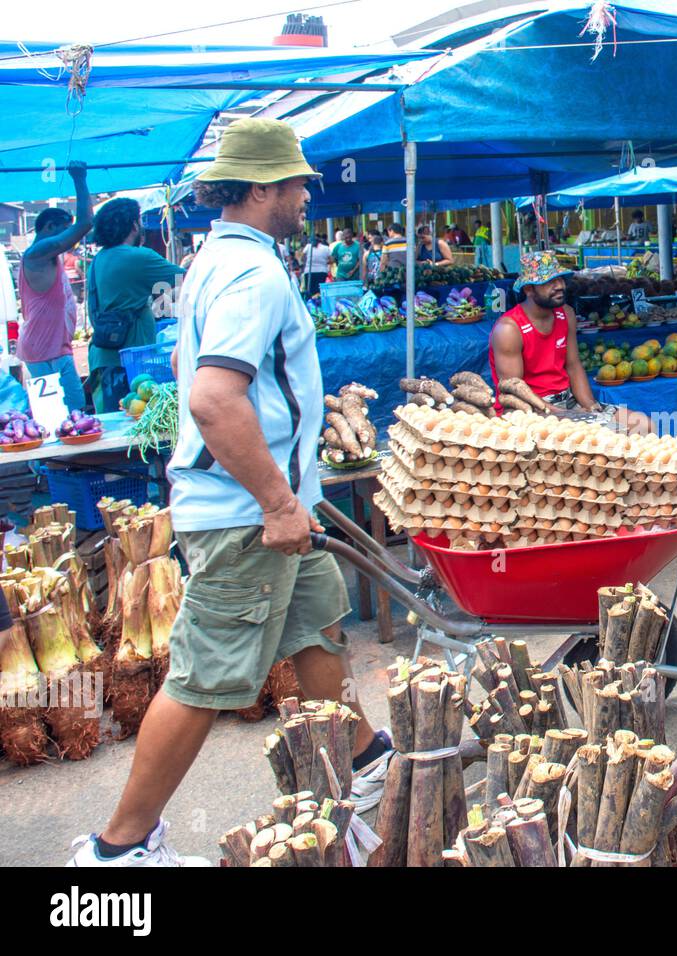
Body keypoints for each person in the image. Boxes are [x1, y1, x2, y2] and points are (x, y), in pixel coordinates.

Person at [68, 118, 392, 868]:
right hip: (250, 516)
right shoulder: (253, 273)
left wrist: (293, 496)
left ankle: (366, 754)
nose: (308, 194)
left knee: (315, 628)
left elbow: (191, 360)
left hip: (272, 505)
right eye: (296, 184)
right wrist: (278, 503)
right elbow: (214, 397)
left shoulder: (217, 259)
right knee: (205, 677)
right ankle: (119, 848)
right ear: (257, 188)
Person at [490, 250, 650, 434]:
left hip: (566, 401)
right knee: (602, 437)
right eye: (550, 281)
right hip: (528, 410)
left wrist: (591, 406)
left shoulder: (566, 314)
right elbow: (515, 392)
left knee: (644, 425)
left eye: (560, 279)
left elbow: (573, 366)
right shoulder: (509, 329)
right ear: (529, 289)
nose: (560, 286)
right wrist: (563, 414)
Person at [85, 198, 185, 412]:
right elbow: (191, 280)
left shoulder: (98, 259)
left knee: (113, 431)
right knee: (134, 430)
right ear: (133, 225)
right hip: (129, 364)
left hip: (101, 358)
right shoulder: (138, 257)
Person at [17, 165, 91, 413]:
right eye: (63, 230)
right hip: (45, 352)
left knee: (69, 413)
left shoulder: (47, 257)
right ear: (49, 228)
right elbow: (85, 224)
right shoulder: (37, 254)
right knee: (69, 412)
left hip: (50, 350)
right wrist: (79, 179)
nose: (69, 239)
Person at [299, 234, 331, 298]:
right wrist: (324, 262)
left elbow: (302, 258)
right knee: (319, 290)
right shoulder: (326, 248)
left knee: (310, 290)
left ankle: (312, 302)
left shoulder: (308, 247)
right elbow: (332, 259)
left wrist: (305, 262)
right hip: (322, 271)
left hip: (309, 271)